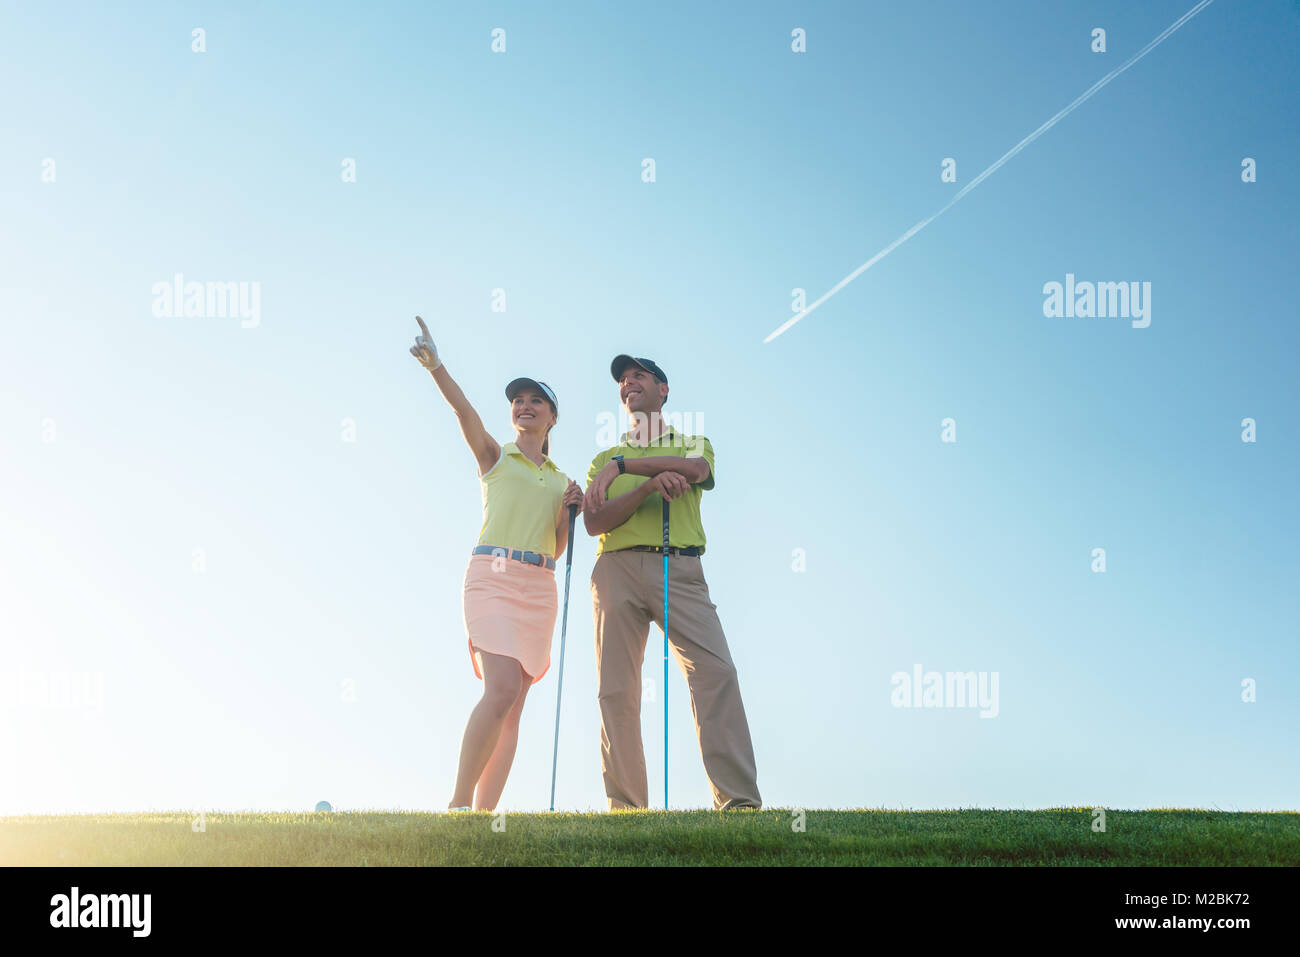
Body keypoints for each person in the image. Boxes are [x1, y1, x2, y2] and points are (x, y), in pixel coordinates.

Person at [409, 317, 582, 812]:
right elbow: (464, 412)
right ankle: (460, 805)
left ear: (552, 418)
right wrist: (437, 367)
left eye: (536, 401)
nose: (524, 406)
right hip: (492, 579)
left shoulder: (560, 480)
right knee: (500, 688)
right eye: (518, 401)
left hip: (538, 587)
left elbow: (555, 548)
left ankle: (483, 817)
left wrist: (573, 510)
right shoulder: (496, 457)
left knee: (513, 708)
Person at [582, 354, 761, 811]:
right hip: (615, 570)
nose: (628, 383)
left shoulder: (692, 443)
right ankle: (625, 809)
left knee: (716, 672)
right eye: (623, 380)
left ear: (663, 390)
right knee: (616, 689)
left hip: (679, 571)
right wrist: (645, 486)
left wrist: (625, 469)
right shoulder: (601, 458)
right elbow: (594, 522)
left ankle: (738, 802)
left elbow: (697, 472)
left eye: (638, 375)